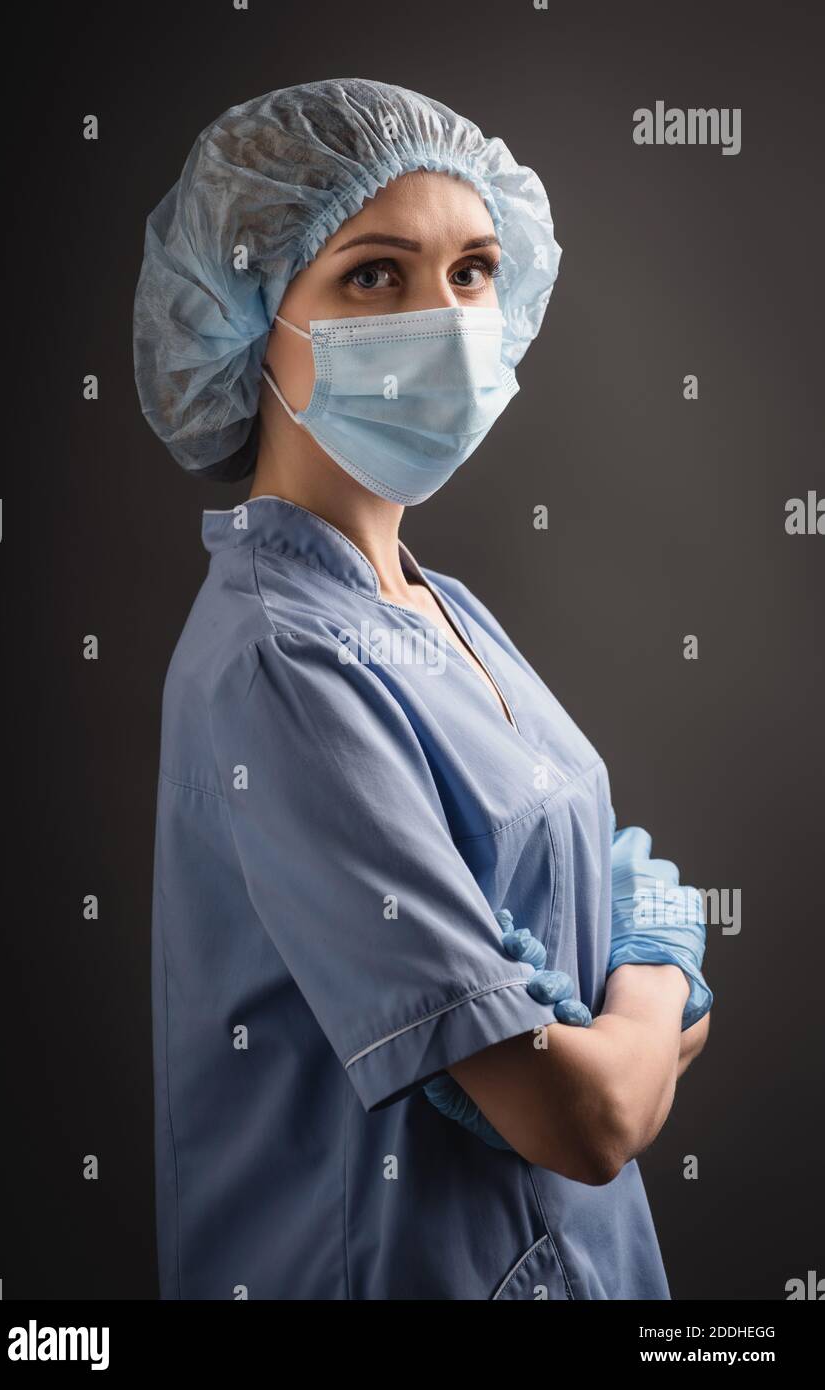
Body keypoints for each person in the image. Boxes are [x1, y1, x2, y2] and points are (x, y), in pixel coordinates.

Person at [133, 77, 713, 1301]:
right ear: (250, 315)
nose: (446, 322)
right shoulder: (281, 662)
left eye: (475, 271)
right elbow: (586, 1117)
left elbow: (623, 884)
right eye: (376, 276)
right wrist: (649, 989)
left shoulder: (439, 609)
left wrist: (626, 987)